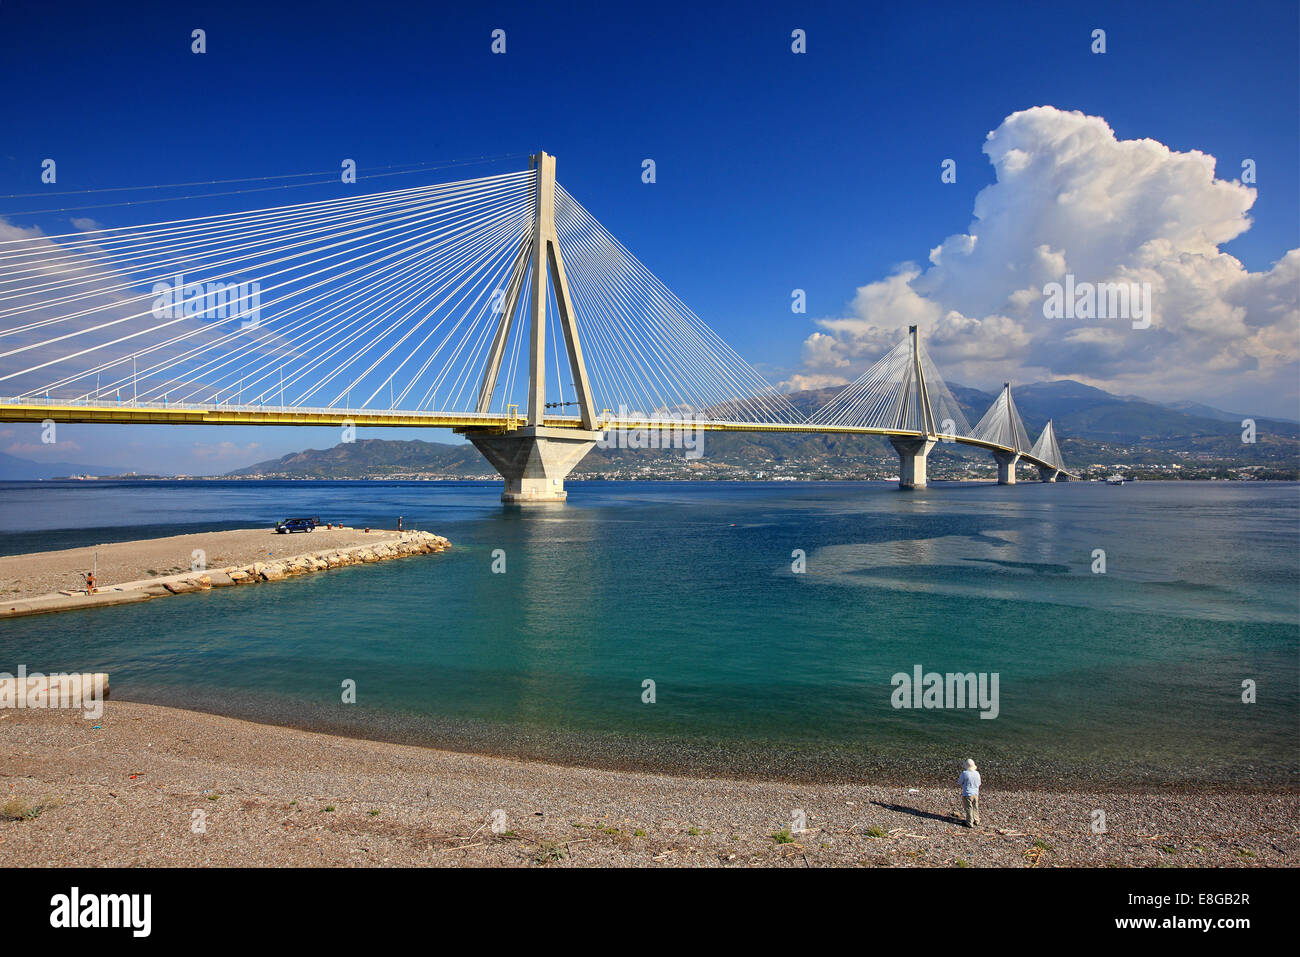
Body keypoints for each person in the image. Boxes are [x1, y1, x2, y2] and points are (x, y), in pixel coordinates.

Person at [959, 758, 981, 827]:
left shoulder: (965, 773)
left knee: (968, 808)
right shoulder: (977, 773)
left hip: (967, 793)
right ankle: (976, 820)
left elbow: (959, 782)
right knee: (975, 807)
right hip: (975, 793)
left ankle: (969, 822)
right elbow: (979, 783)